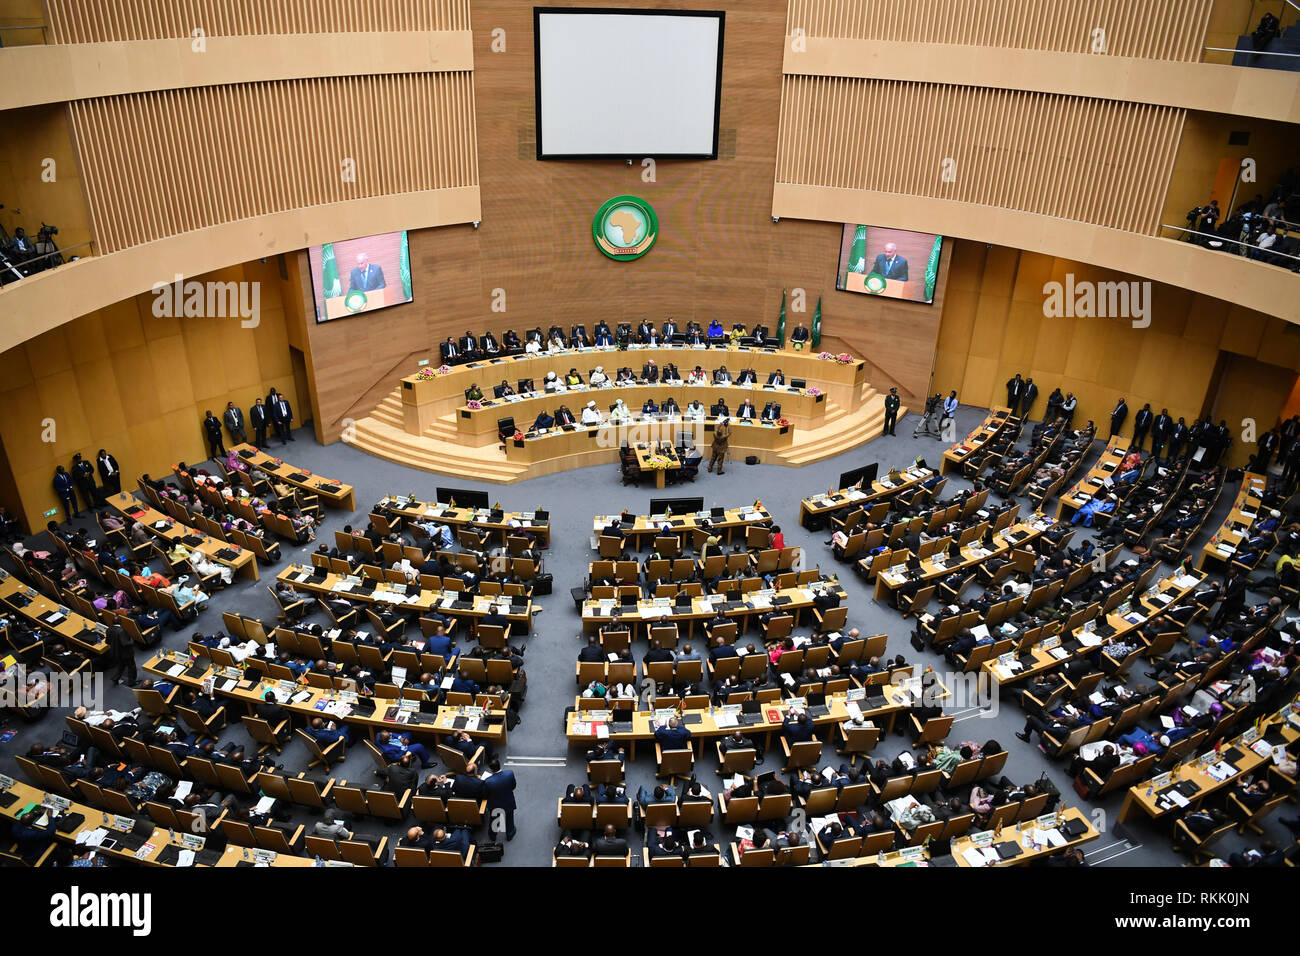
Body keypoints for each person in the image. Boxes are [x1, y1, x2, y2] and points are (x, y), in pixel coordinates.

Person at [484, 758, 518, 841]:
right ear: (499, 765)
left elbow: (486, 795)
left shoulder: (488, 781)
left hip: (496, 804)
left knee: (495, 820)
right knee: (509, 819)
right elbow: (513, 786)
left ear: (491, 769)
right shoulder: (510, 774)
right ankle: (510, 834)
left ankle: (493, 836)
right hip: (508, 801)